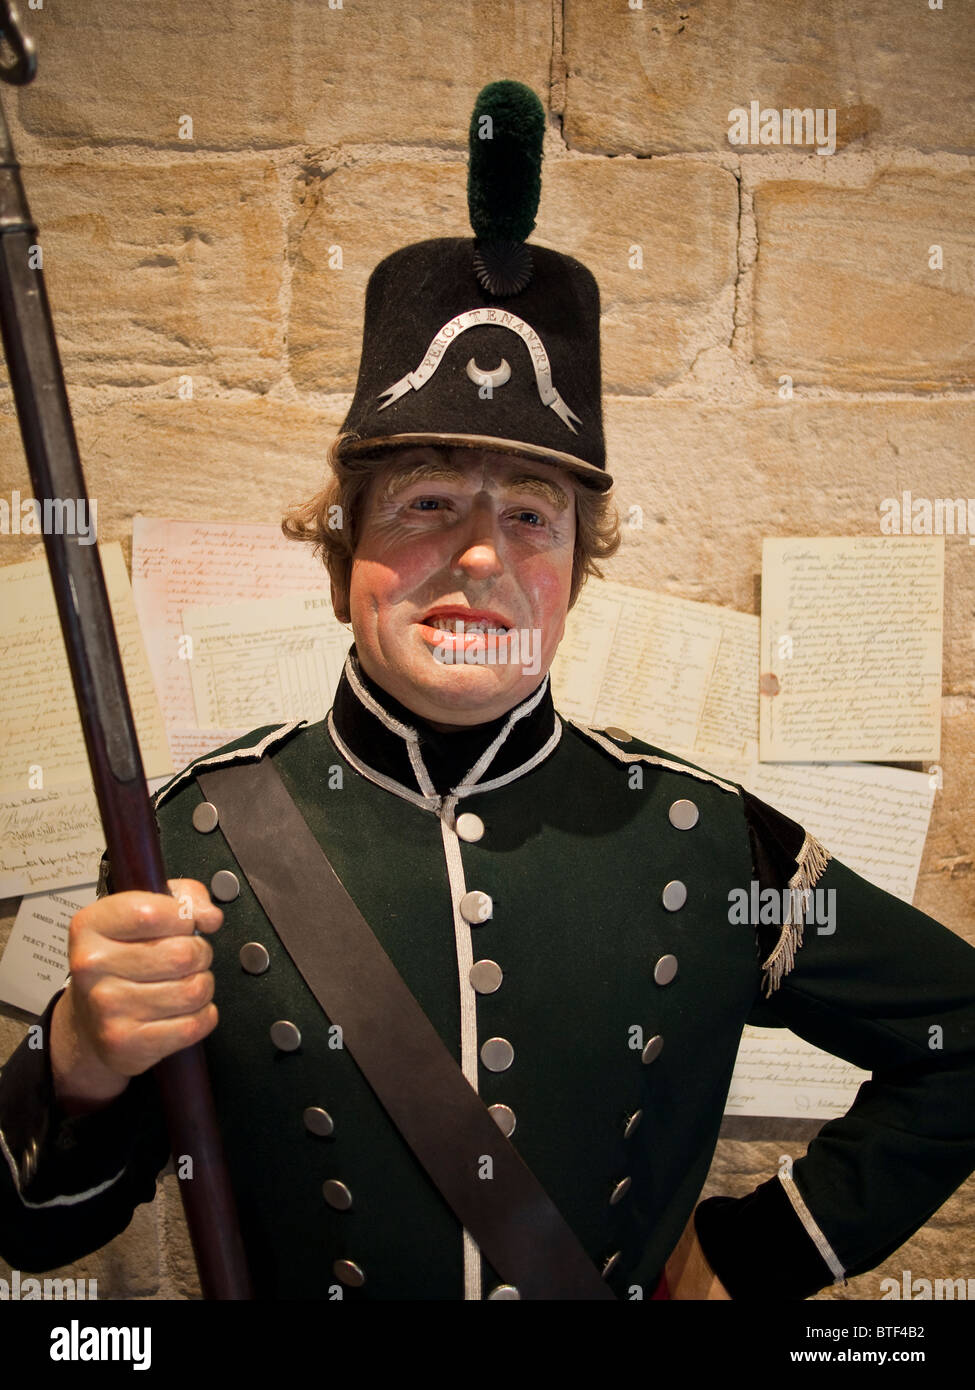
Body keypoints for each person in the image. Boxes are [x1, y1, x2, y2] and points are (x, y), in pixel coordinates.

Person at [1, 82, 973, 1302]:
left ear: (576, 566)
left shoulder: (711, 841)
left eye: (530, 516)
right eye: (426, 504)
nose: (481, 557)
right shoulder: (193, 837)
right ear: (343, 543)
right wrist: (74, 1058)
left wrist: (756, 1251)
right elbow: (34, 1232)